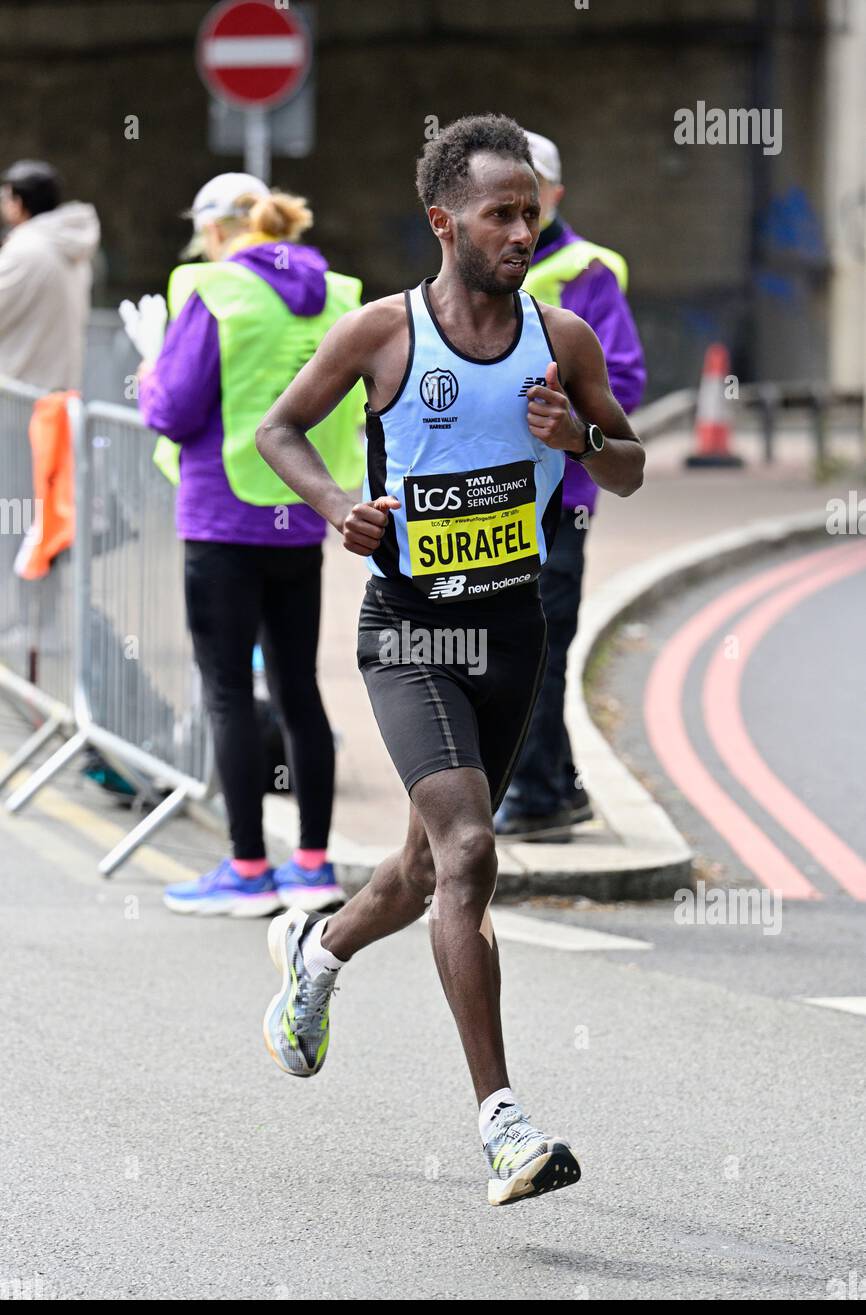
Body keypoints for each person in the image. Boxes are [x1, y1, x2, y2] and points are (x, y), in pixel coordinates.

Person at [256, 114, 644, 1206]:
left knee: (427, 866)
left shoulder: (560, 336)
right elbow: (279, 431)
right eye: (501, 214)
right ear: (444, 222)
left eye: (531, 211)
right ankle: (503, 1123)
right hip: (412, 629)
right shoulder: (381, 333)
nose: (523, 229)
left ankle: (317, 950)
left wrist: (578, 441)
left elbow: (632, 468)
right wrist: (339, 505)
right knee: (470, 847)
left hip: (511, 629)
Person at [138, 173, 365, 917]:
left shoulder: (216, 290)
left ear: (213, 230)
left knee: (230, 691)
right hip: (302, 511)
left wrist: (148, 372)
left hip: (223, 513)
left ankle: (244, 869)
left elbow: (173, 411)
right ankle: (312, 867)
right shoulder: (337, 292)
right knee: (299, 688)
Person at [493, 130, 646, 840]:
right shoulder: (482, 266)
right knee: (511, 643)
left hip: (562, 496)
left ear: (554, 194)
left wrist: (555, 413)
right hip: (492, 489)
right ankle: (543, 786)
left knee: (543, 643)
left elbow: (627, 379)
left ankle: (540, 790)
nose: (519, 213)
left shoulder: (588, 271)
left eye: (533, 193)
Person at [0, 160, 99, 390]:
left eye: (5, 198)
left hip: (19, 393)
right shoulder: (70, 247)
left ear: (18, 203)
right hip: (58, 396)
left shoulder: (26, 249)